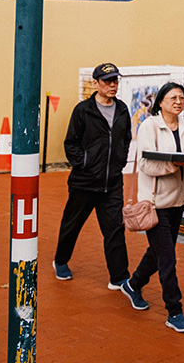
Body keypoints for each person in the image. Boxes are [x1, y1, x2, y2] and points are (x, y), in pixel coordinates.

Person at [121, 82, 184, 333]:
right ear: (161, 101)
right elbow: (147, 165)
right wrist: (175, 165)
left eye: (182, 97)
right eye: (173, 97)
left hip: (177, 200)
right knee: (167, 258)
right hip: (154, 203)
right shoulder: (149, 126)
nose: (178, 101)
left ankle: (133, 285)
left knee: (157, 252)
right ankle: (174, 311)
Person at [53, 62, 131, 290]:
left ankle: (119, 277)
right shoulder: (83, 110)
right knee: (72, 224)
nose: (113, 85)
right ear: (95, 84)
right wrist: (85, 163)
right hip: (84, 182)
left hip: (112, 182)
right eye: (107, 81)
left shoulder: (123, 109)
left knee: (115, 230)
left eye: (115, 80)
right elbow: (71, 143)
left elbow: (126, 139)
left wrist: (119, 162)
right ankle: (61, 261)